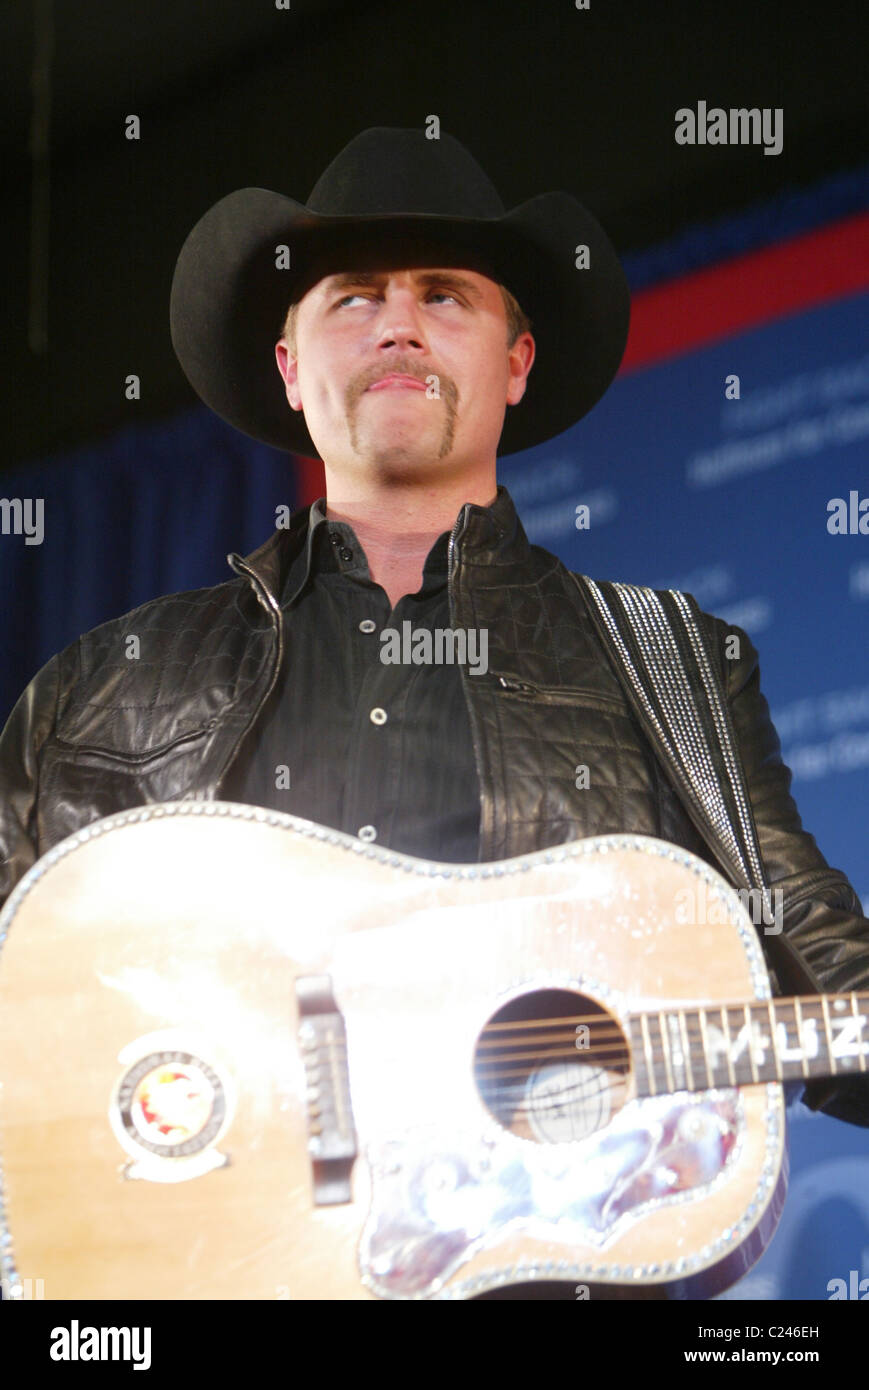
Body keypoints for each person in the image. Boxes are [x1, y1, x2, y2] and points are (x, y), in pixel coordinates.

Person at [1, 127, 868, 1298]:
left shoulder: (677, 662)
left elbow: (816, 969)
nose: (398, 323)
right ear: (290, 368)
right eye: (353, 296)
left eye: (443, 293)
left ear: (514, 360)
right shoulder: (106, 687)